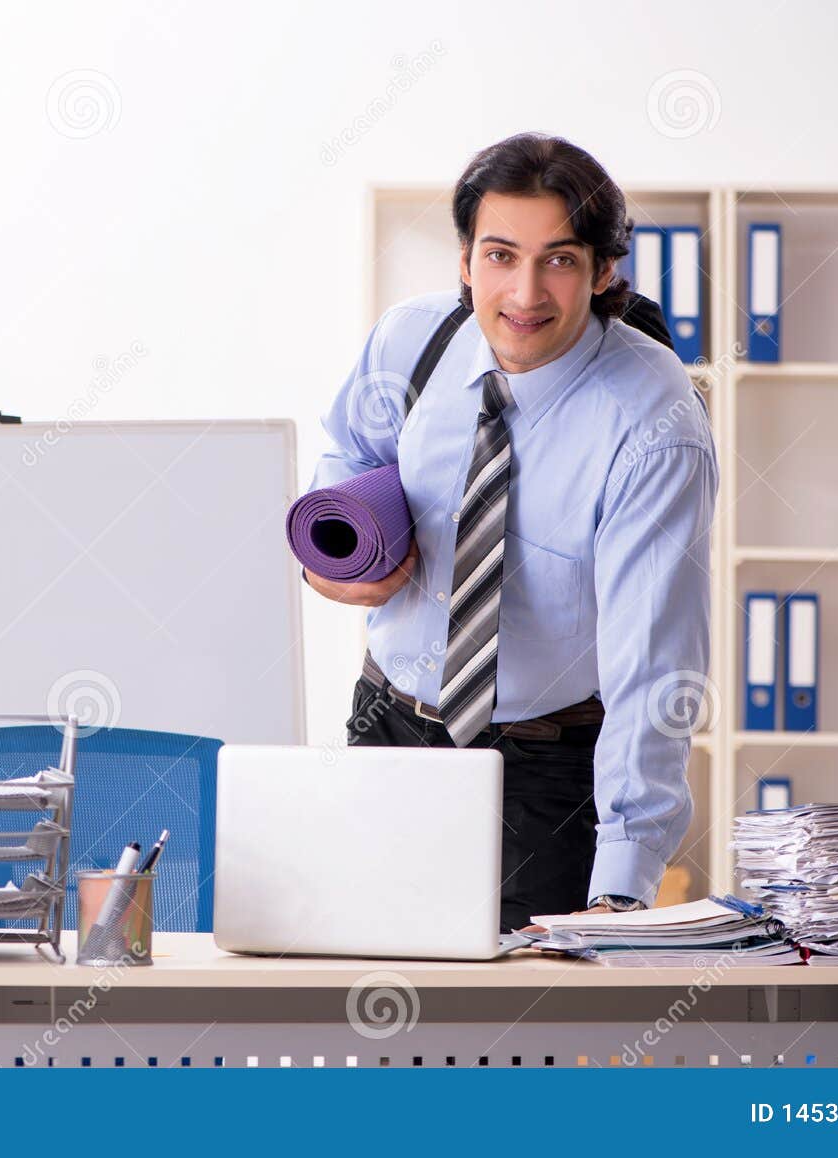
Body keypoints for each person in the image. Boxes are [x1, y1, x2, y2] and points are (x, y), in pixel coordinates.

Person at [303, 132, 717, 931]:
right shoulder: (412, 340)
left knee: (518, 1039)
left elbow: (654, 668)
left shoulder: (655, 420)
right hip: (386, 730)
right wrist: (333, 558)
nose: (524, 293)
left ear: (603, 271)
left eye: (559, 259)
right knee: (355, 989)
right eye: (500, 255)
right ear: (465, 261)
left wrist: (622, 886)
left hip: (545, 771)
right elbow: (349, 448)